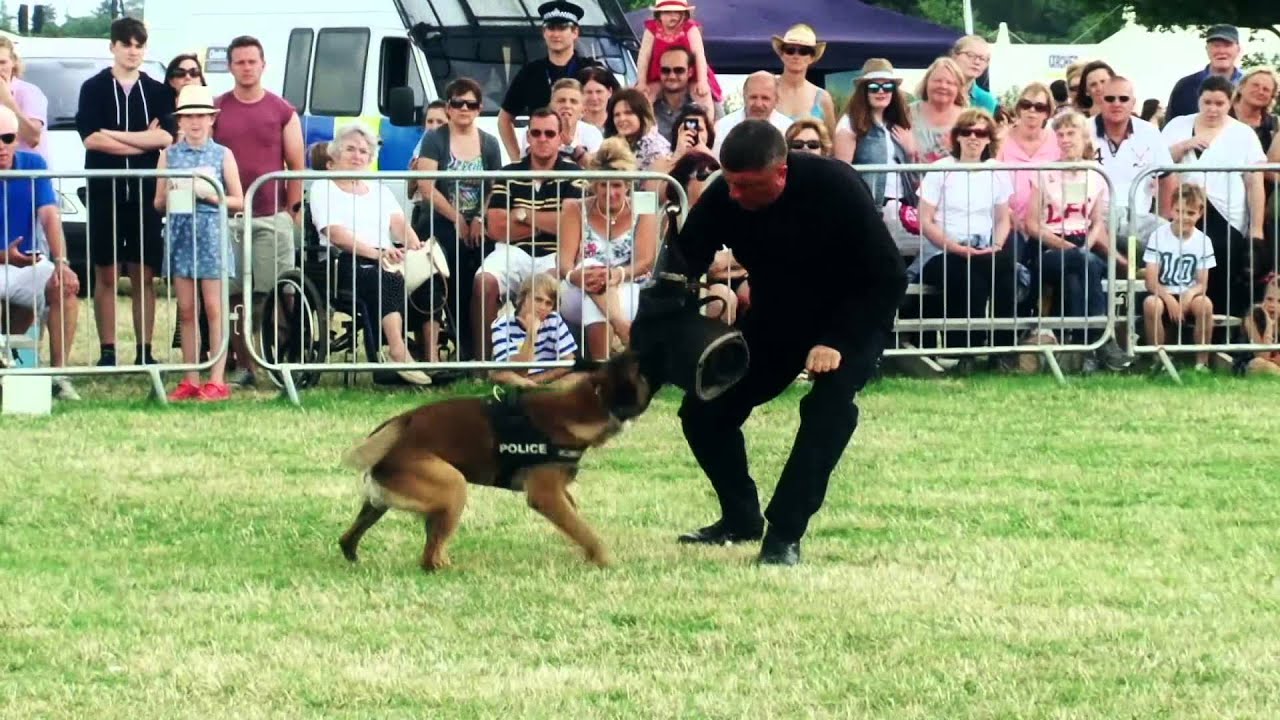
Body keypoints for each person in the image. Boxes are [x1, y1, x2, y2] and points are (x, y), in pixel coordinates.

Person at [669, 119, 907, 566]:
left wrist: (838, 340)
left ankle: (784, 533)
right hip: (778, 318)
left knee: (828, 409)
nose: (735, 195)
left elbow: (888, 276)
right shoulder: (726, 193)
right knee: (704, 410)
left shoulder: (836, 186)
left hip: (851, 316)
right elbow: (683, 263)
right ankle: (741, 519)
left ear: (780, 173)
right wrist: (660, 337)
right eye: (731, 183)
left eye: (748, 186)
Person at [75, 16, 176, 368]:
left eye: (139, 45)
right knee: (106, 272)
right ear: (113, 47)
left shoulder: (159, 91)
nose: (133, 51)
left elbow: (165, 137)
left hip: (147, 194)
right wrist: (141, 143)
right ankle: (107, 351)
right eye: (126, 44)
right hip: (105, 192)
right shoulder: (94, 88)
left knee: (143, 274)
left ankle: (145, 351)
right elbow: (91, 138)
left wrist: (117, 137)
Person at [212, 35, 306, 388]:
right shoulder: (217, 109)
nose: (247, 68)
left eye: (253, 61)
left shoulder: (282, 110)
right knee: (235, 295)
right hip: (229, 218)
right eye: (240, 62)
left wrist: (293, 212)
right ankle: (244, 366)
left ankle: (281, 362)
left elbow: (296, 165)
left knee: (276, 291)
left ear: (263, 65)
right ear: (231, 66)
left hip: (272, 217)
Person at [154, 84, 245, 401]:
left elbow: (239, 199)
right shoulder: (169, 155)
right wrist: (173, 192)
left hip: (211, 234)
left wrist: (210, 194)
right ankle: (190, 377)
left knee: (214, 309)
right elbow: (158, 201)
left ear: (211, 120)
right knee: (187, 310)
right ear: (180, 121)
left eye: (201, 116)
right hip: (181, 234)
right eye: (189, 116)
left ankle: (216, 378)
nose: (195, 122)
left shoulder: (223, 154)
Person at [0, 105, 81, 400]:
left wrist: (62, 263)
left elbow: (49, 216)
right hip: (5, 261)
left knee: (65, 287)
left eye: (7, 138)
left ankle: (58, 377)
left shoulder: (34, 163)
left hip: (23, 263)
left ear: (16, 138)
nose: (1, 145)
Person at [497, 0, 601, 161]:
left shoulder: (592, 71)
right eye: (551, 28)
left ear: (575, 32)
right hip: (540, 161)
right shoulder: (530, 72)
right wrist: (516, 159)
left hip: (583, 160)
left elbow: (612, 108)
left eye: (562, 27)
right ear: (544, 32)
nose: (556, 34)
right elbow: (504, 118)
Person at [1142, 184, 1216, 371]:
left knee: (1205, 305)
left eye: (1190, 213)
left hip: (1188, 293)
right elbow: (1151, 281)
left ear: (1200, 214)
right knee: (1152, 304)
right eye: (1179, 211)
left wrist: (1189, 295)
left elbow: (1202, 283)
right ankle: (1159, 360)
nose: (1184, 218)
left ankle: (1202, 362)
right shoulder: (1158, 236)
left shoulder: (1203, 241)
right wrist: (1168, 298)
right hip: (1164, 291)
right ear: (1172, 209)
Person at [489, 273, 578, 387]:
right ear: (524, 297)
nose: (542, 307)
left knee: (578, 377)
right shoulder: (501, 326)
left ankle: (533, 388)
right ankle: (532, 389)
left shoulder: (553, 319)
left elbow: (569, 362)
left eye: (548, 303)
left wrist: (535, 380)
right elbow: (519, 371)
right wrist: (531, 333)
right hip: (517, 377)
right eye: (538, 300)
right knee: (500, 374)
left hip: (542, 379)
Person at [634, 0, 719, 112]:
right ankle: (647, 126)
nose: (672, 15)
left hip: (691, 73)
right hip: (660, 74)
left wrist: (702, 81)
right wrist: (642, 82)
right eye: (667, 12)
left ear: (684, 14)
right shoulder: (652, 29)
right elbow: (644, 56)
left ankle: (708, 124)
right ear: (659, 15)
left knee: (703, 95)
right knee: (646, 96)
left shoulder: (690, 29)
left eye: (677, 12)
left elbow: (699, 55)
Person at [1166, 24, 1244, 123]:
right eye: (1216, 46)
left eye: (1227, 45)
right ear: (1207, 49)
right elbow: (1171, 126)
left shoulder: (1251, 86)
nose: (1221, 51)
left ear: (1238, 49)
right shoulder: (1186, 86)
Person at [0, 36, 48, 159]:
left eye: (2, 62)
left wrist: (7, 101)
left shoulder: (29, 92)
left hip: (26, 173)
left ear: (13, 62)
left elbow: (33, 138)